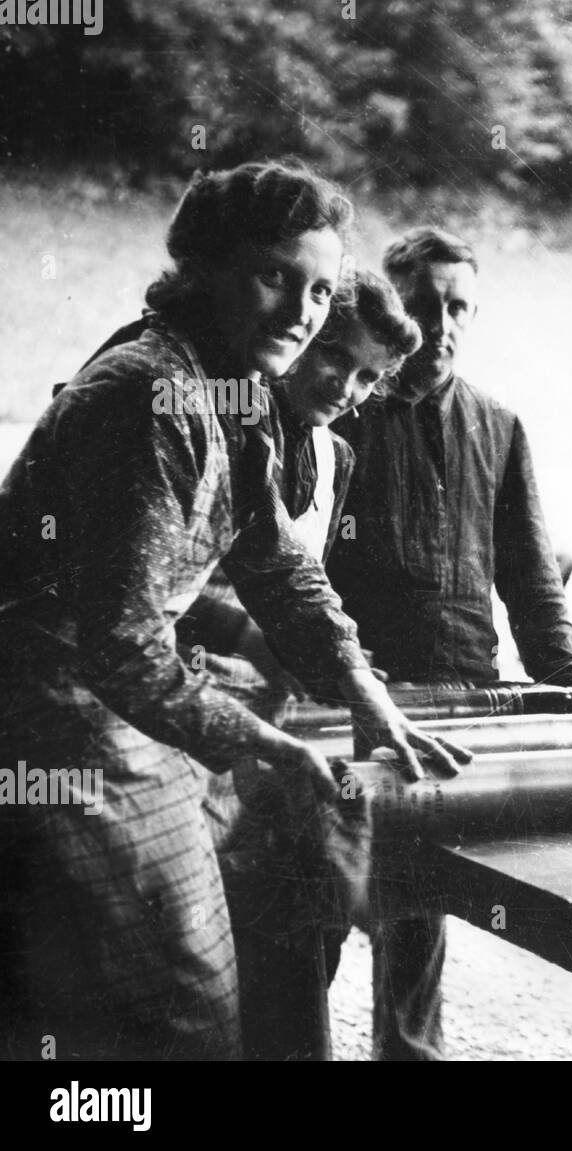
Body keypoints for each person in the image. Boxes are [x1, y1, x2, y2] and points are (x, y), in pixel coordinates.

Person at [0, 162, 464, 1061]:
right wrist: (272, 744)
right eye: (273, 274)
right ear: (203, 265)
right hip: (43, 719)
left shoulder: (234, 393)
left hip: (111, 717)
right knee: (172, 1006)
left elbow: (282, 569)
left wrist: (363, 690)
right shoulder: (150, 394)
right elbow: (128, 650)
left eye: (322, 288)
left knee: (228, 947)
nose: (301, 309)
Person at [326, 226, 572, 1059]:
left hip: (465, 700)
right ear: (394, 307)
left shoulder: (500, 425)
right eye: (423, 304)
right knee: (323, 901)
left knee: (415, 907)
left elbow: (532, 583)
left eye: (458, 306)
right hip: (356, 702)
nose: (441, 323)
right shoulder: (347, 416)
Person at [180, 270, 425, 1060]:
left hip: (269, 714)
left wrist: (332, 667)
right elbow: (171, 590)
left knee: (296, 916)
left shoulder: (334, 456)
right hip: (184, 705)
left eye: (367, 379)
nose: (346, 388)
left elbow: (301, 584)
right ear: (300, 340)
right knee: (197, 939)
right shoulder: (233, 419)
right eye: (335, 361)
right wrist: (258, 640)